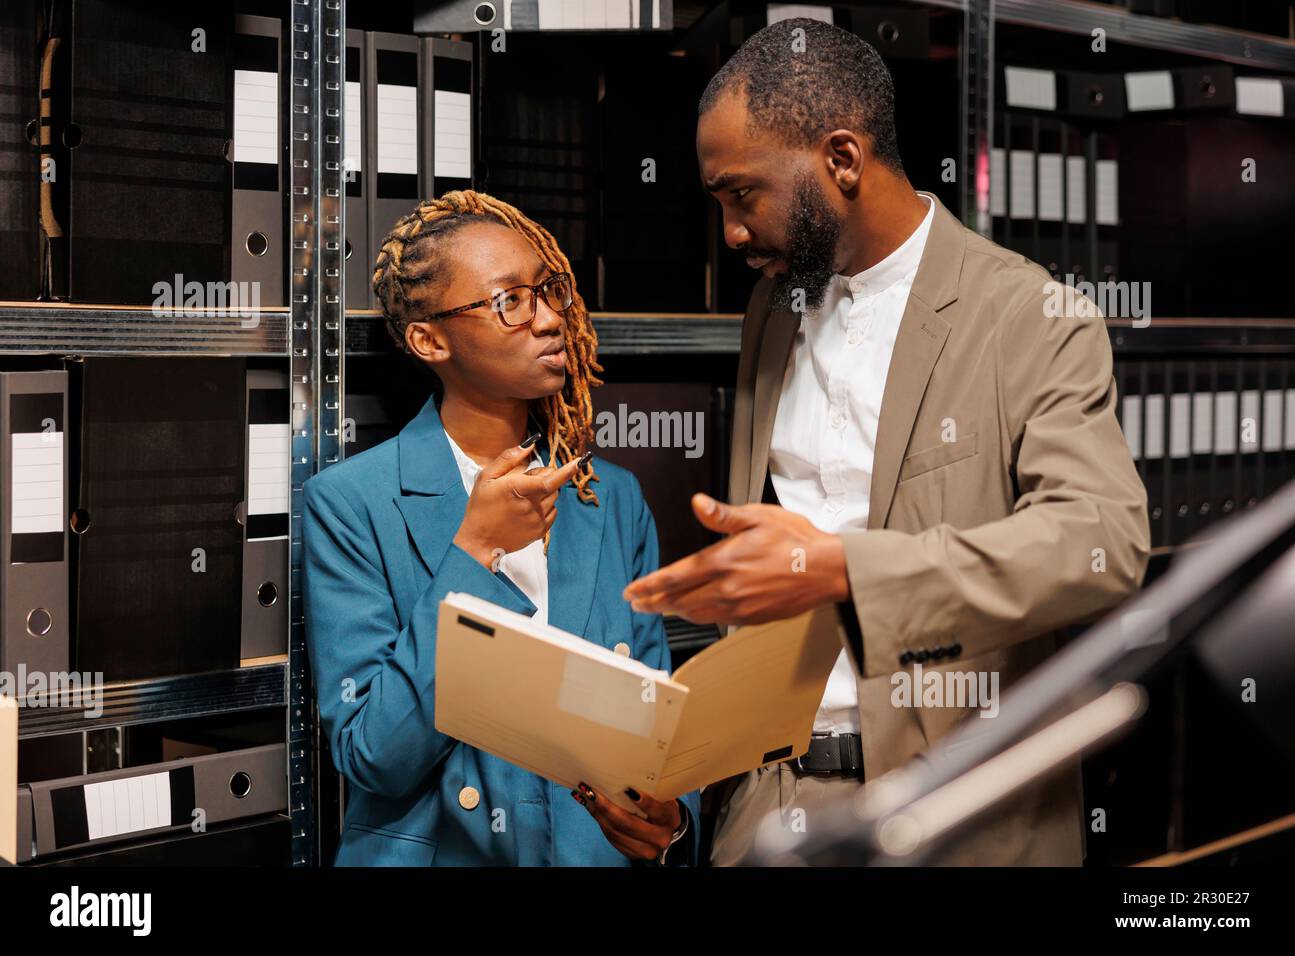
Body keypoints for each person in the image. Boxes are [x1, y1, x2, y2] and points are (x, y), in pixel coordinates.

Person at [623, 19, 1150, 865]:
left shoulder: (1028, 316)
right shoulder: (775, 309)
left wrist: (841, 568)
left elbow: (1101, 541)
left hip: (957, 815)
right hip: (769, 805)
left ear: (841, 157)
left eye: (741, 194)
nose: (728, 232)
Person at [303, 190, 699, 866]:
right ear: (431, 340)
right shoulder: (349, 503)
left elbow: (657, 726)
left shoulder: (614, 499)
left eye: (549, 293)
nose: (549, 320)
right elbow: (373, 753)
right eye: (510, 301)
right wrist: (475, 549)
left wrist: (672, 821)